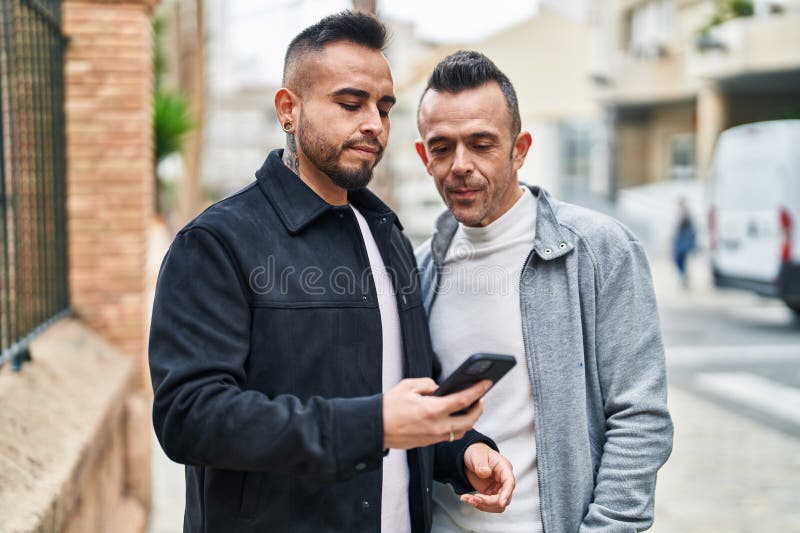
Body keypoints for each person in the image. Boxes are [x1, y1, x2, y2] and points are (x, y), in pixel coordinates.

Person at [149, 16, 514, 533]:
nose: (374, 124)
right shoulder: (215, 243)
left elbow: (409, 392)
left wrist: (465, 453)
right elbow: (189, 417)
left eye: (384, 109)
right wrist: (372, 424)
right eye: (350, 104)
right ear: (288, 110)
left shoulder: (389, 235)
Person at [414, 51, 674, 533]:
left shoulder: (598, 250)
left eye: (481, 143)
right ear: (422, 156)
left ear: (519, 148)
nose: (460, 165)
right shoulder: (418, 270)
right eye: (442, 147)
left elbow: (641, 419)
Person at [673, 197, 697, 288]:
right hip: (683, 242)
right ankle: (684, 278)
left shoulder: (685, 213)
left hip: (683, 243)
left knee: (679, 260)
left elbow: (688, 231)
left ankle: (684, 278)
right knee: (681, 261)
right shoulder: (684, 213)